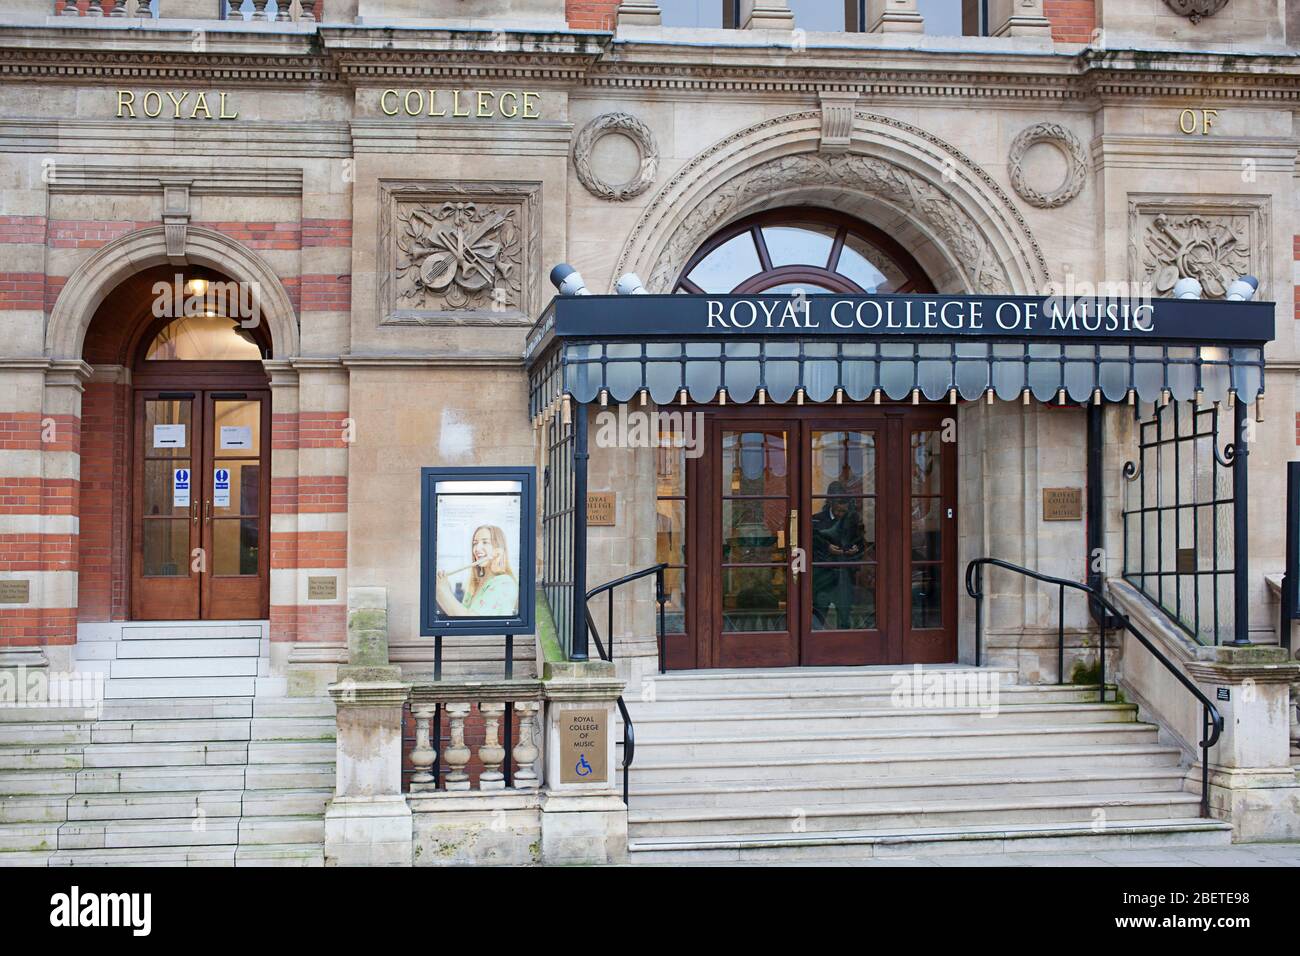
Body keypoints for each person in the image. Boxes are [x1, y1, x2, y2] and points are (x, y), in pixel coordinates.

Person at [810, 482, 866, 629]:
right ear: (830, 502)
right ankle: (814, 644)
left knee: (845, 615)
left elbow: (860, 542)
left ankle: (845, 646)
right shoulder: (816, 520)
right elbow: (810, 543)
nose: (842, 510)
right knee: (818, 614)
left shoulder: (853, 519)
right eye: (839, 506)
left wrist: (856, 548)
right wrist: (827, 547)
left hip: (844, 576)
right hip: (822, 577)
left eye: (844, 505)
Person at [436, 524, 519, 617]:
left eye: (485, 542)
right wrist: (444, 589)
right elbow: (459, 620)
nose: (477, 549)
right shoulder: (475, 584)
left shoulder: (505, 583)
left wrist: (443, 591)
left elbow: (470, 622)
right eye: (475, 543)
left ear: (498, 548)